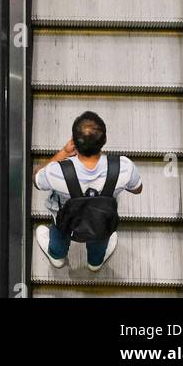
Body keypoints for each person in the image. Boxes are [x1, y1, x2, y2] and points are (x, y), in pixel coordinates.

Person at [34, 110, 142, 272]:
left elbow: (36, 178)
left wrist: (63, 152)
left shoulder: (57, 172)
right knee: (101, 236)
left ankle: (57, 257)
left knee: (59, 232)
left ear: (75, 143)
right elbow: (137, 189)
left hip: (66, 222)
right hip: (101, 220)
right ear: (104, 140)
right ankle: (95, 262)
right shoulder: (123, 167)